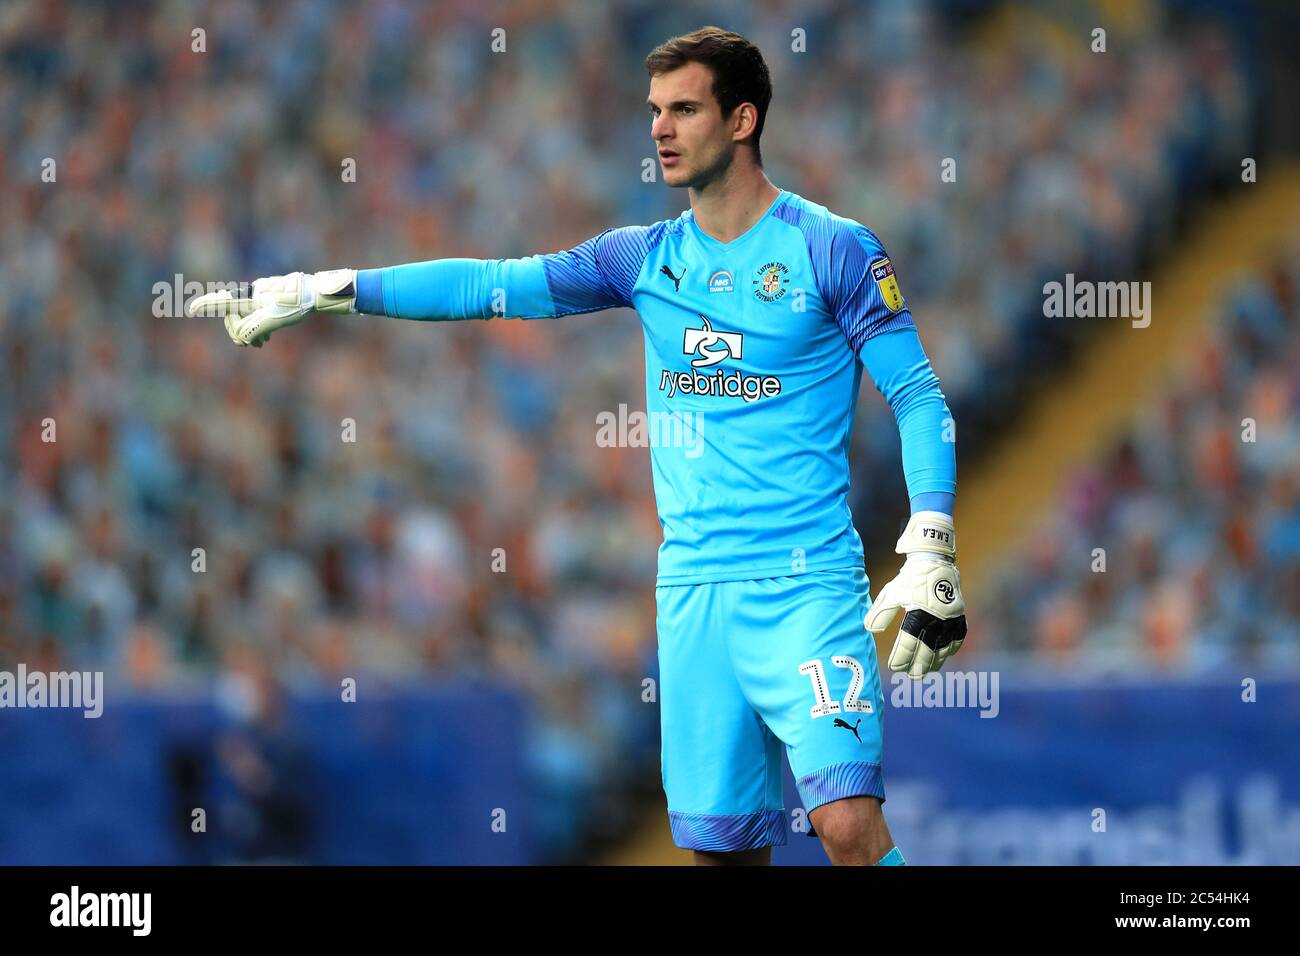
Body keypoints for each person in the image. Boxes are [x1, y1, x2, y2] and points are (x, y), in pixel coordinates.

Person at [191, 26, 966, 866]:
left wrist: (930, 538)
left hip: (806, 585)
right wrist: (327, 289)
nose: (660, 129)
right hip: (694, 594)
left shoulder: (833, 247)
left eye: (684, 109)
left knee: (846, 825)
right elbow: (493, 286)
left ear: (743, 120)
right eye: (654, 111)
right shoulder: (642, 259)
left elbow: (917, 392)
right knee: (724, 857)